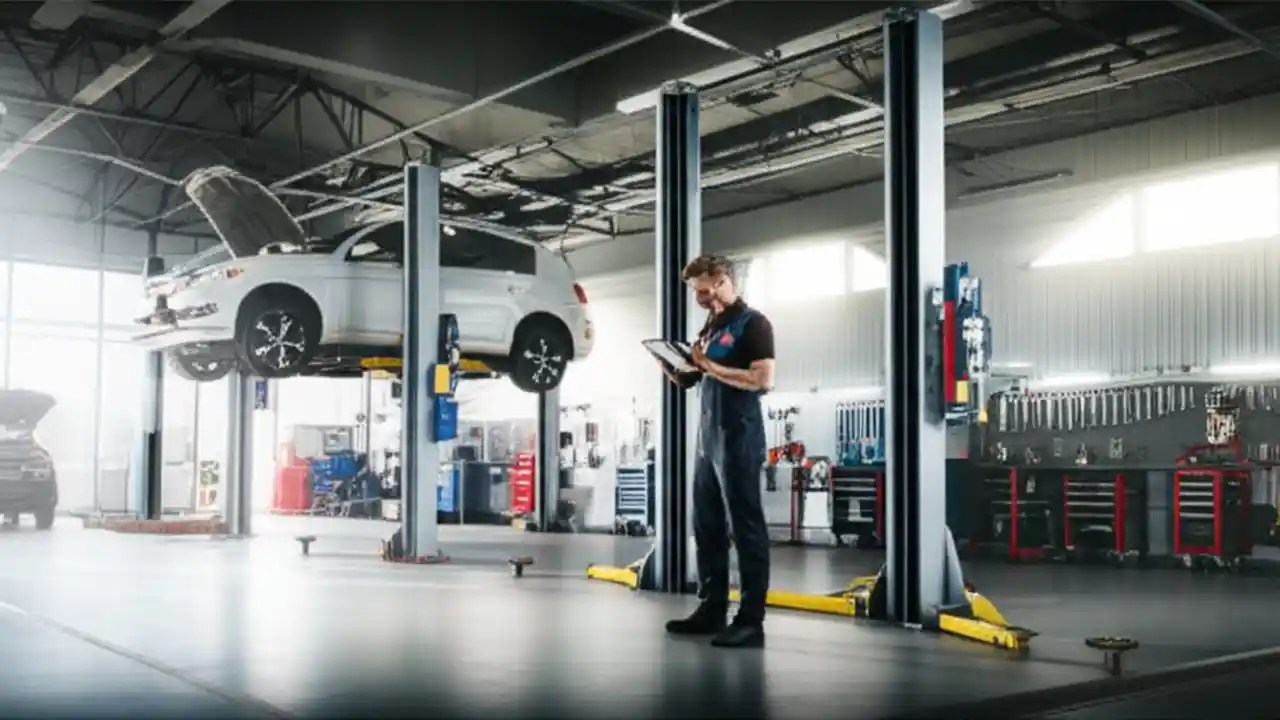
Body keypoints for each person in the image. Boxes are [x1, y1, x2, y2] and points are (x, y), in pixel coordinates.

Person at [658, 254, 775, 649]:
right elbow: (698, 377)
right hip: (708, 438)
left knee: (746, 527)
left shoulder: (754, 324)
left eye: (703, 290)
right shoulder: (712, 326)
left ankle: (750, 621)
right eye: (696, 292)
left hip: (740, 435)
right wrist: (678, 368)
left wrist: (710, 366)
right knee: (706, 525)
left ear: (723, 279)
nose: (700, 298)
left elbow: (762, 379)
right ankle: (712, 608)